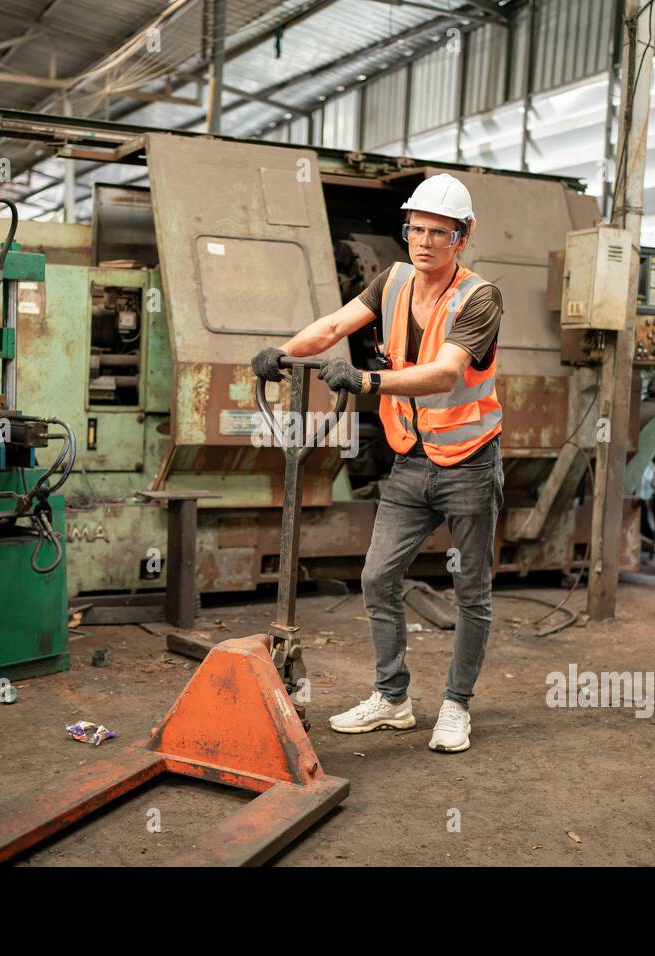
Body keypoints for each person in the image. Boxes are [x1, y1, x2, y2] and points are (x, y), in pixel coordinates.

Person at [250, 173, 504, 753]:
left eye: (440, 232)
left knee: (471, 588)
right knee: (376, 576)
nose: (425, 241)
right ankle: (393, 698)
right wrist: (284, 353)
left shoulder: (480, 298)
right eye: (417, 228)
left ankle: (456, 705)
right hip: (411, 461)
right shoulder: (392, 280)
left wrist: (367, 379)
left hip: (468, 461)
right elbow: (338, 325)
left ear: (461, 238)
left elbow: (446, 373)